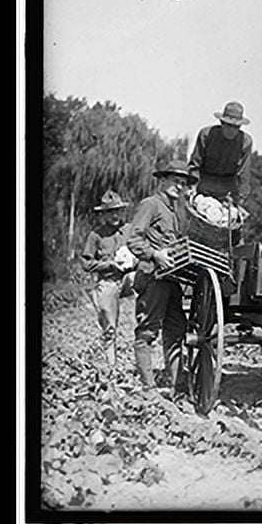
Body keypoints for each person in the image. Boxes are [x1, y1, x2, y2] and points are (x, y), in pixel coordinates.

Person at [127, 160, 198, 391]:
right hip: (154, 277)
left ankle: (177, 385)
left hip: (171, 279)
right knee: (147, 332)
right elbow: (133, 239)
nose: (180, 186)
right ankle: (148, 389)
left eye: (184, 183)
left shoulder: (173, 212)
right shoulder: (151, 204)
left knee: (176, 330)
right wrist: (155, 254)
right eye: (175, 181)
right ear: (163, 180)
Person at [80, 190, 136, 366]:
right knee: (108, 323)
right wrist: (110, 264)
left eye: (117, 211)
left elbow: (142, 248)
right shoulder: (96, 235)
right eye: (110, 212)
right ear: (103, 214)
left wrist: (135, 259)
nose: (115, 215)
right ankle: (111, 365)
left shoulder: (129, 230)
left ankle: (144, 338)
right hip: (108, 280)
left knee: (141, 281)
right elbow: (86, 264)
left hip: (129, 277)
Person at [188, 101, 254, 203]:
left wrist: (241, 198)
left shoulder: (245, 142)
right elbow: (195, 165)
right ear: (222, 123)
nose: (231, 130)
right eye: (228, 125)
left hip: (227, 190)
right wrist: (192, 188)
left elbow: (244, 173)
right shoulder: (206, 135)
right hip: (203, 185)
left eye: (236, 127)